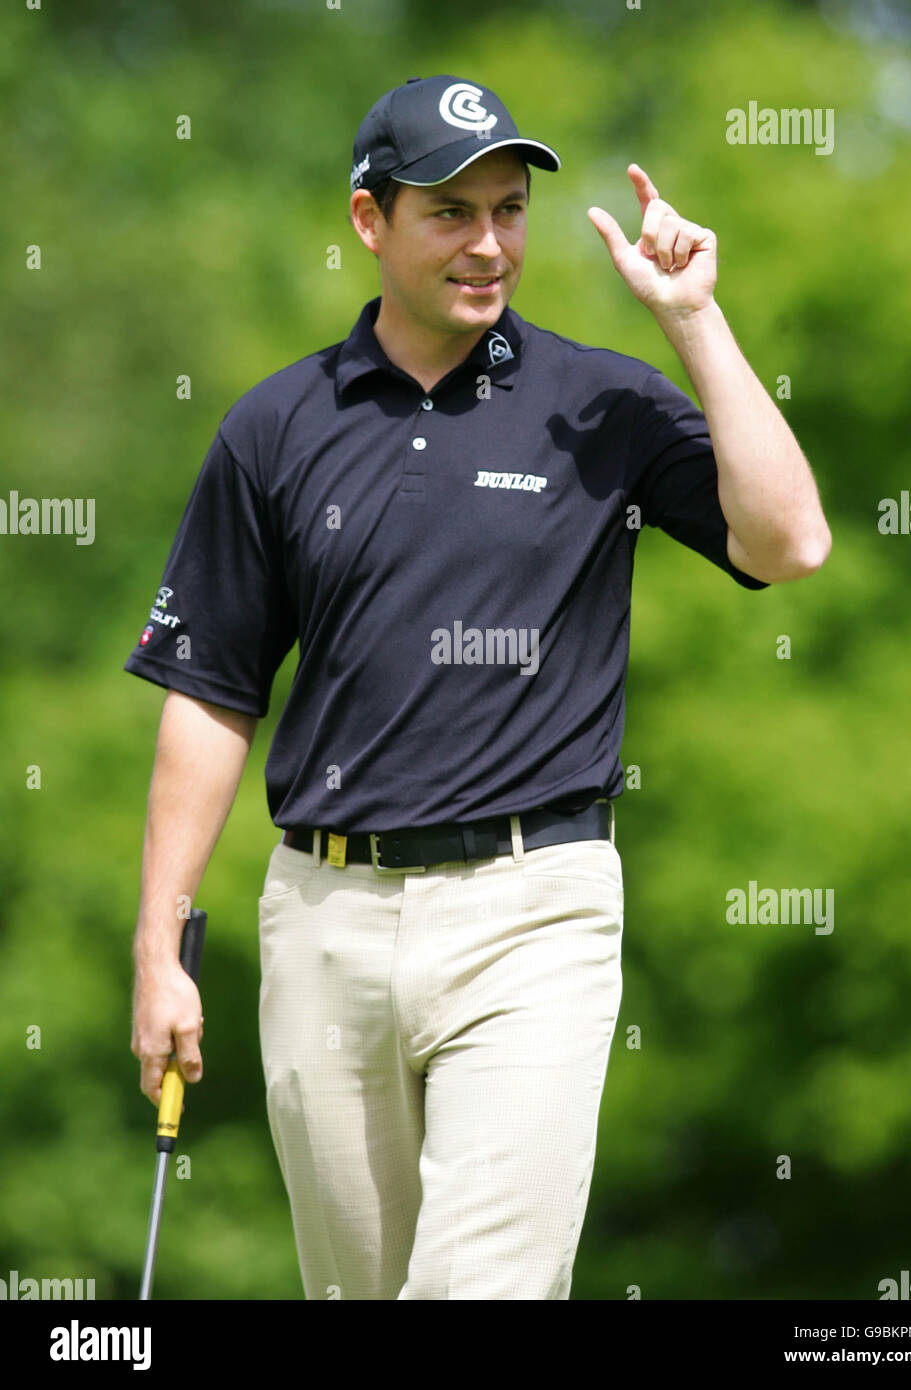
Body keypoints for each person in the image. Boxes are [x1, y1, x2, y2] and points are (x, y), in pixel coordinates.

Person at [126, 74, 831, 1301]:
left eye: (509, 210)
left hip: (533, 911)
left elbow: (788, 541)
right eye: (451, 213)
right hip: (324, 920)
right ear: (369, 221)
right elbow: (211, 691)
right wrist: (158, 944)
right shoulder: (274, 427)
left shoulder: (596, 402)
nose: (490, 243)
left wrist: (694, 323)